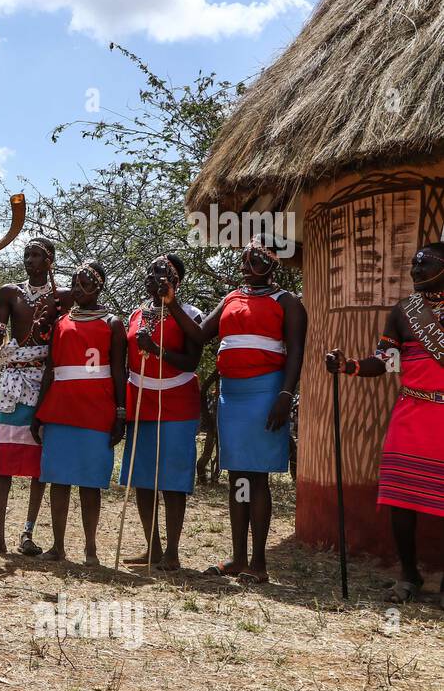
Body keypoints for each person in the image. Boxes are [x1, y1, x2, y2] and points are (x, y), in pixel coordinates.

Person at [169, 235, 307, 583]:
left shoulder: (287, 302)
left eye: (255, 259)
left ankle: (259, 564)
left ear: (272, 264)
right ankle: (238, 557)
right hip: (232, 394)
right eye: (244, 259)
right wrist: (172, 304)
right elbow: (200, 335)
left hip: (265, 393)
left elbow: (296, 352)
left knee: (256, 475)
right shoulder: (231, 297)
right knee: (238, 476)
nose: (246, 265)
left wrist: (286, 395)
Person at [325, 241, 444, 605]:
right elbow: (386, 361)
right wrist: (349, 367)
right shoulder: (404, 312)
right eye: (413, 264)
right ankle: (409, 576)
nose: (415, 270)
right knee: (401, 500)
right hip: (411, 415)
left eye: (424, 264)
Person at [32, 261, 127, 567]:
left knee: (89, 482)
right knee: (59, 479)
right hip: (60, 408)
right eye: (74, 283)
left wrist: (121, 412)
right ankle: (58, 546)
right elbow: (50, 369)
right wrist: (39, 411)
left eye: (85, 284)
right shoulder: (61, 322)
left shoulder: (112, 323)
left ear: (99, 287)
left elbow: (118, 370)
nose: (77, 289)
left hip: (96, 411)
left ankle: (90, 549)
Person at [0, 236, 69, 555]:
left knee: (37, 465)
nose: (28, 260)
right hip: (13, 382)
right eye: (26, 255)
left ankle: (27, 534)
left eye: (35, 255)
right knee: (3, 462)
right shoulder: (9, 292)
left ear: (49, 261)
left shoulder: (62, 298)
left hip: (45, 383)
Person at [117, 254, 203, 571]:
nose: (154, 276)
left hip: (177, 401)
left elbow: (192, 361)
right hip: (141, 397)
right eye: (151, 271)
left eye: (163, 272)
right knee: (143, 477)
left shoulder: (190, 314)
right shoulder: (137, 314)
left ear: (176, 280)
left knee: (173, 479)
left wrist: (157, 350)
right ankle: (152, 547)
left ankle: (173, 552)